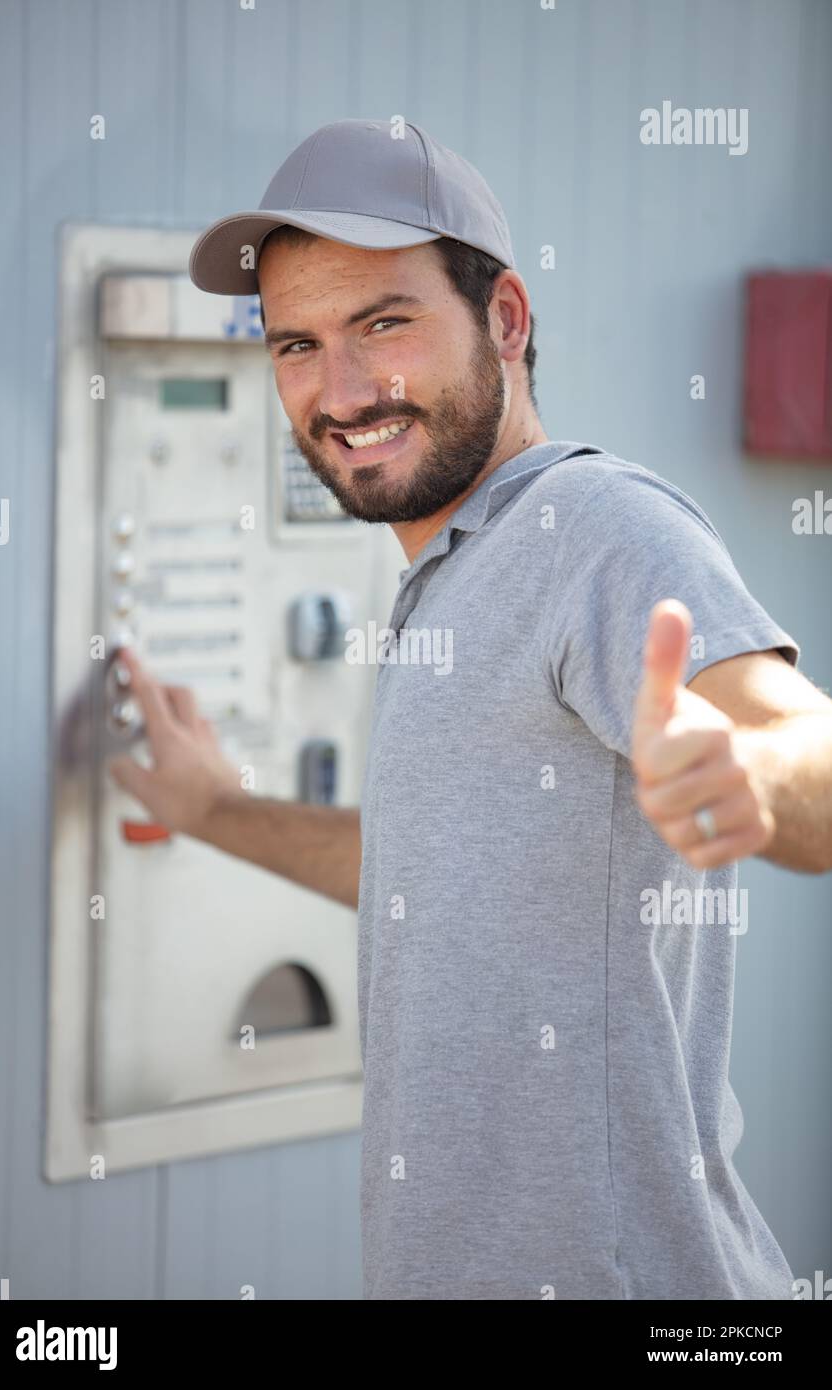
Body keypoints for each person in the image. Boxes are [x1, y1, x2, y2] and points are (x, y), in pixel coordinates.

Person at [110, 119, 832, 1300]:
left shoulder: (594, 528)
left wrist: (748, 775)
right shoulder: (452, 567)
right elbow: (433, 870)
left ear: (503, 319)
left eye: (383, 323)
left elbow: (790, 736)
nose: (339, 392)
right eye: (296, 343)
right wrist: (214, 807)